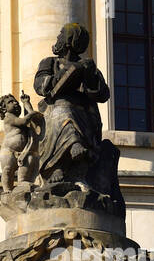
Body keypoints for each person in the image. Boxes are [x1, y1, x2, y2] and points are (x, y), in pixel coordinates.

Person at [32, 23, 110, 185]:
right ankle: (59, 163)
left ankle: (76, 167)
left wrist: (89, 76)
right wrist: (64, 75)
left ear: (68, 41)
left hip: (86, 114)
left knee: (69, 110)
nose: (58, 38)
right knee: (64, 108)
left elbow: (103, 95)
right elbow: (40, 86)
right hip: (56, 110)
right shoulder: (49, 63)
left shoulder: (88, 66)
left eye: (61, 35)